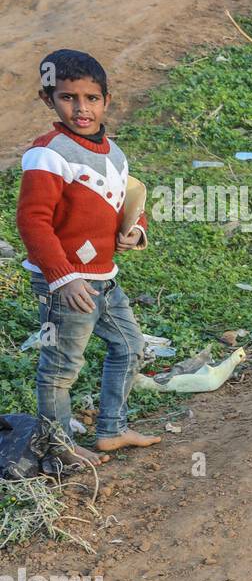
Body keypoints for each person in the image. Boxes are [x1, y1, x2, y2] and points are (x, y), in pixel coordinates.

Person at [14, 49, 161, 469]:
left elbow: (126, 201)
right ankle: (58, 448)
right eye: (68, 98)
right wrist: (62, 278)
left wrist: (135, 230)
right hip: (67, 284)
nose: (81, 108)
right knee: (60, 368)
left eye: (91, 98)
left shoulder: (113, 152)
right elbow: (33, 222)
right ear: (49, 100)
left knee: (130, 346)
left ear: (107, 100)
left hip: (103, 278)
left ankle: (111, 430)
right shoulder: (48, 153)